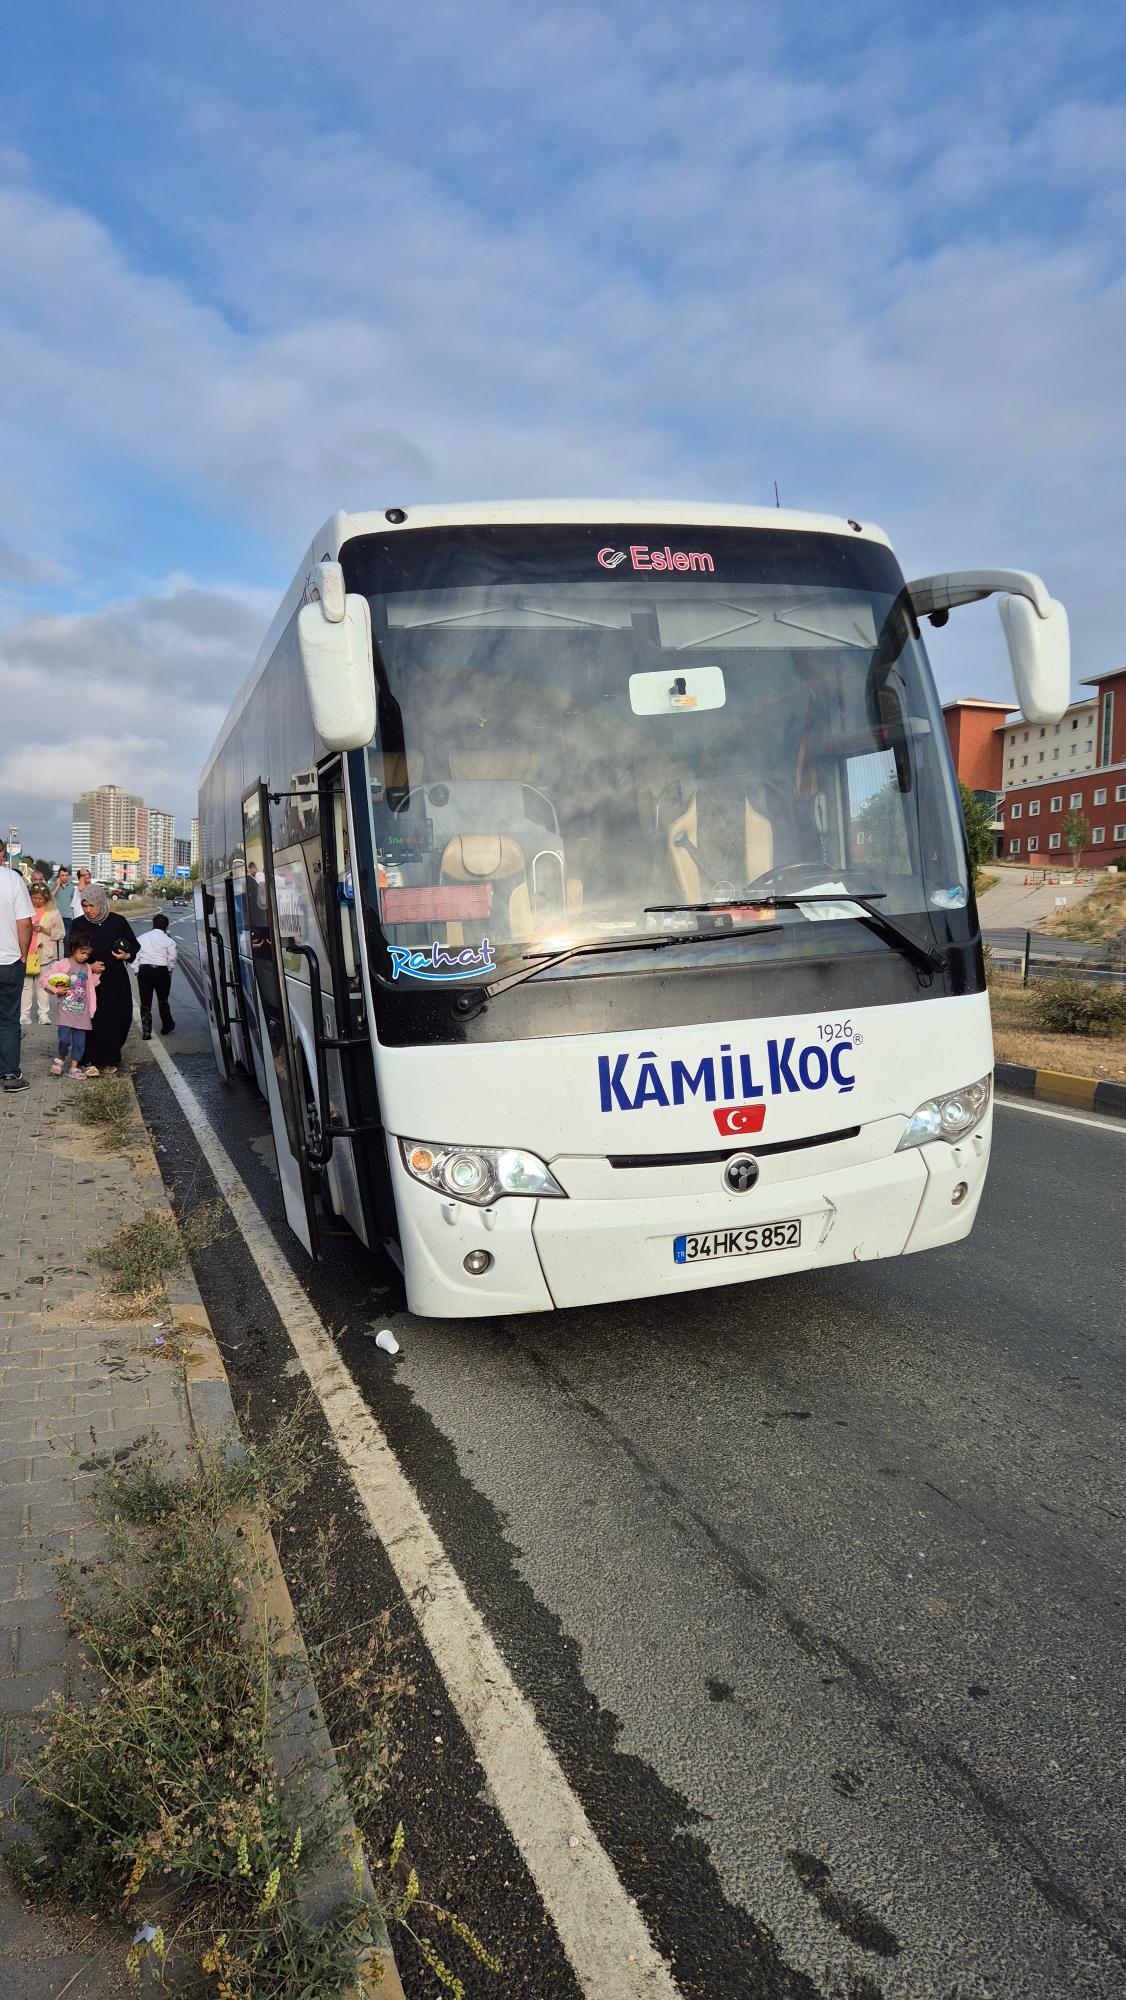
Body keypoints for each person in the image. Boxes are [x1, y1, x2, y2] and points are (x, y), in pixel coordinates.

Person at [68, 883, 139, 1074]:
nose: (88, 910)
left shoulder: (118, 922)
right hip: (88, 981)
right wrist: (88, 967)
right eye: (84, 906)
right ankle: (89, 1058)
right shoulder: (78, 924)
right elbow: (71, 953)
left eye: (91, 905)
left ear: (100, 902)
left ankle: (111, 1058)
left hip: (115, 979)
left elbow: (134, 945)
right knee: (91, 1019)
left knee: (118, 1017)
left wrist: (126, 956)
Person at [0, 835, 34, 1092]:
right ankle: (10, 1075)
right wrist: (23, 954)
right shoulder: (11, 879)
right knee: (9, 1018)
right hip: (9, 960)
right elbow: (24, 922)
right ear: (2, 855)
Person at [40, 935, 100, 1078]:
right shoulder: (63, 964)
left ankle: (73, 1068)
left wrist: (97, 975)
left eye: (88, 954)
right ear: (73, 949)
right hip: (66, 1011)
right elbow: (44, 979)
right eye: (82, 952)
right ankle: (60, 1059)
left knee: (80, 1043)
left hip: (82, 1012)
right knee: (64, 1039)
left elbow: (90, 986)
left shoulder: (86, 967)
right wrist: (56, 990)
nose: (85, 956)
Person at [21, 885, 65, 1025]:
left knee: (43, 985)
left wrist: (44, 930)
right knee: (26, 986)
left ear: (46, 898)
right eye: (34, 898)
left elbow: (61, 933)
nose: (37, 901)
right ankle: (24, 1015)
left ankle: (43, 1014)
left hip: (45, 955)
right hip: (26, 953)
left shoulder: (54, 912)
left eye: (40, 898)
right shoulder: (23, 910)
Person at [135, 911, 177, 1038]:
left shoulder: (141, 938)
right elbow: (172, 958)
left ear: (153, 925)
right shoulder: (169, 941)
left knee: (145, 1002)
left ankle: (146, 1032)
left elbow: (135, 956)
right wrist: (169, 970)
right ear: (166, 927)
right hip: (161, 971)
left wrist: (137, 970)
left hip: (144, 971)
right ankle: (166, 1026)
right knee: (162, 1000)